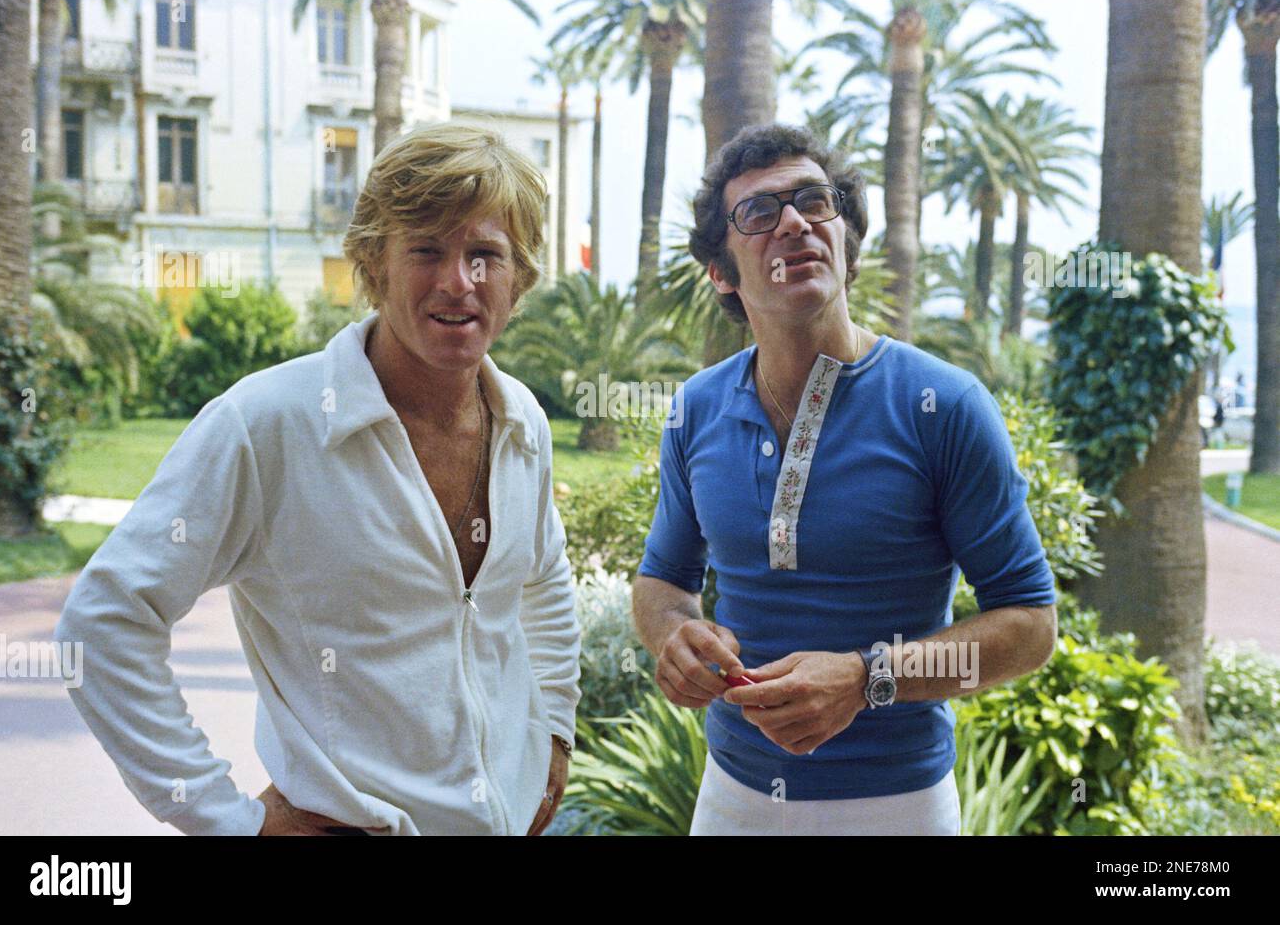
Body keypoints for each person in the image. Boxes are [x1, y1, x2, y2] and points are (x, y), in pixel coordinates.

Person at [53, 123, 581, 835]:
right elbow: (102, 624)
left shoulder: (522, 422)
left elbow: (543, 579)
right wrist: (227, 819)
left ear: (519, 279)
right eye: (426, 250)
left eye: (485, 254)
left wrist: (554, 733)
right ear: (374, 265)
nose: (460, 281)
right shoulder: (268, 423)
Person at [632, 124, 1057, 835]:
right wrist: (673, 636)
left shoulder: (944, 406)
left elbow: (1031, 626)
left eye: (813, 201)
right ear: (721, 274)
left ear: (846, 242)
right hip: (731, 799)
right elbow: (663, 580)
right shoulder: (696, 409)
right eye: (759, 212)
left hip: (898, 806)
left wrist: (868, 678)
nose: (794, 223)